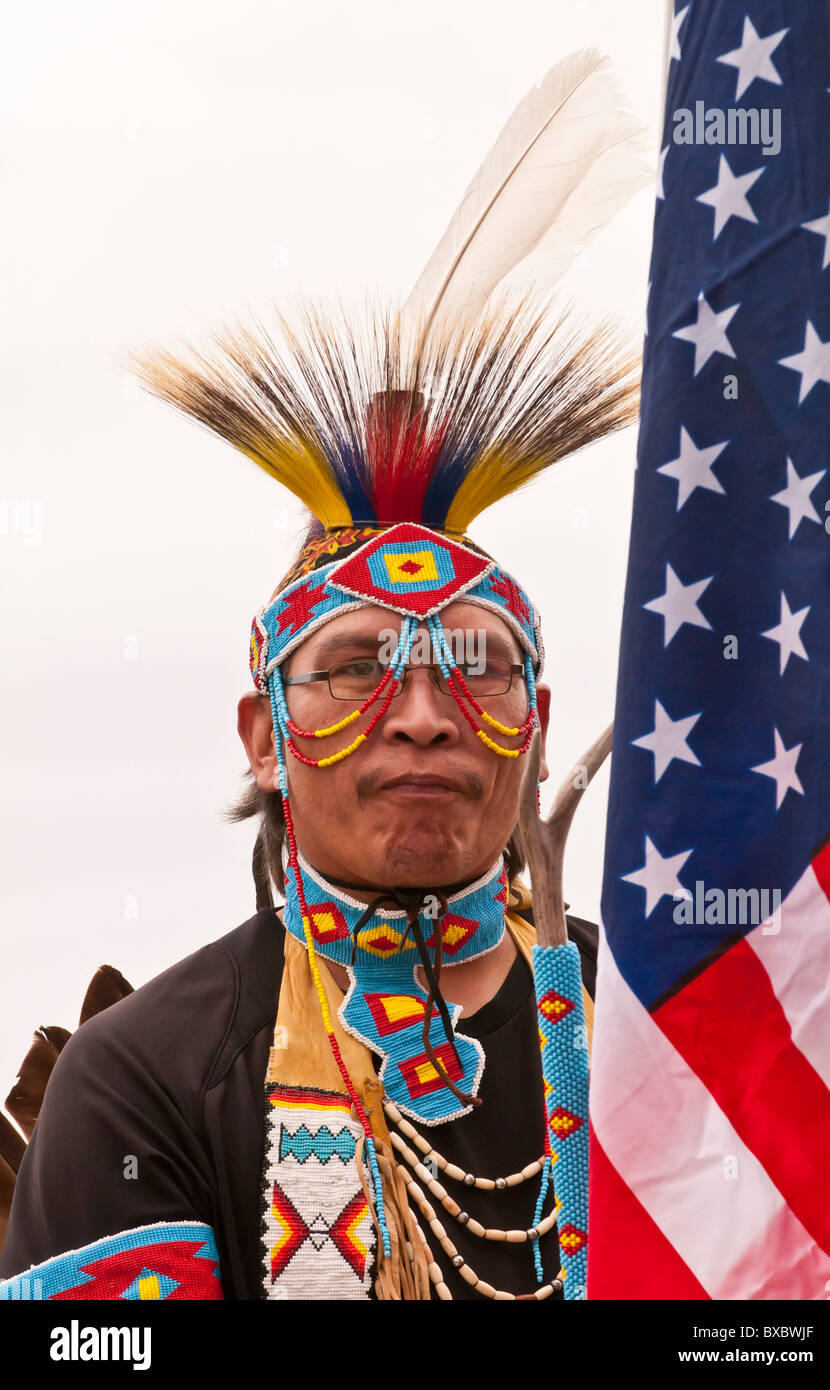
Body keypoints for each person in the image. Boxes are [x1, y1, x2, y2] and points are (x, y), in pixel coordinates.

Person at [0, 48, 650, 1301]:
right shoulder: (145, 1078)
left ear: (538, 723)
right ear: (261, 734)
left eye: (478, 668)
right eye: (354, 672)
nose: (421, 717)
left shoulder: (668, 1042)